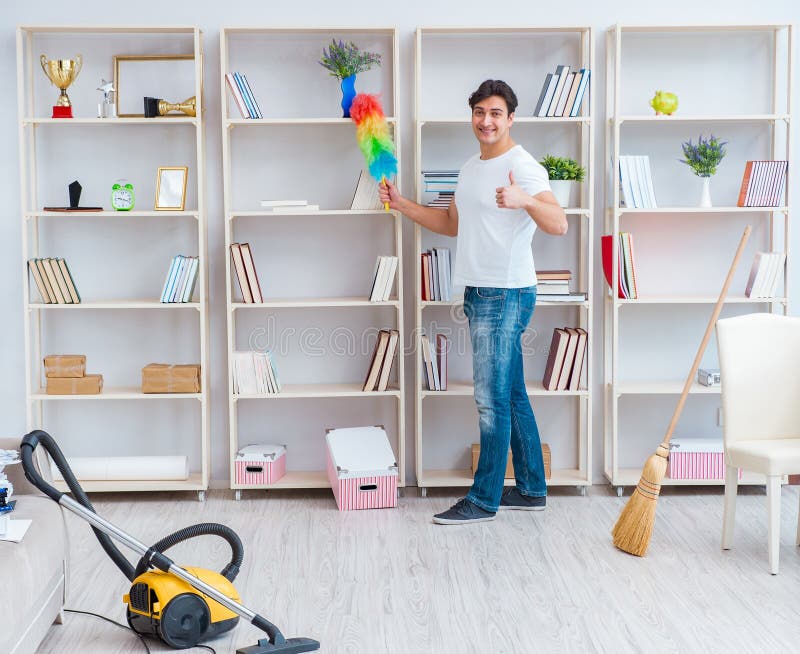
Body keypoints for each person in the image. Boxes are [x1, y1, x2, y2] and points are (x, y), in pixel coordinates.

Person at [379, 79, 568, 524]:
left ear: (510, 118)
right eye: (480, 112)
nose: (487, 121)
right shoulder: (470, 167)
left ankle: (484, 500)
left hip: (506, 291)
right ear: (473, 116)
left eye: (496, 113)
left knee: (490, 399)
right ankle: (532, 490)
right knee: (512, 394)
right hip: (480, 291)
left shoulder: (523, 166)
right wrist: (403, 204)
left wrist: (523, 198)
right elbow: (450, 223)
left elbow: (558, 222)